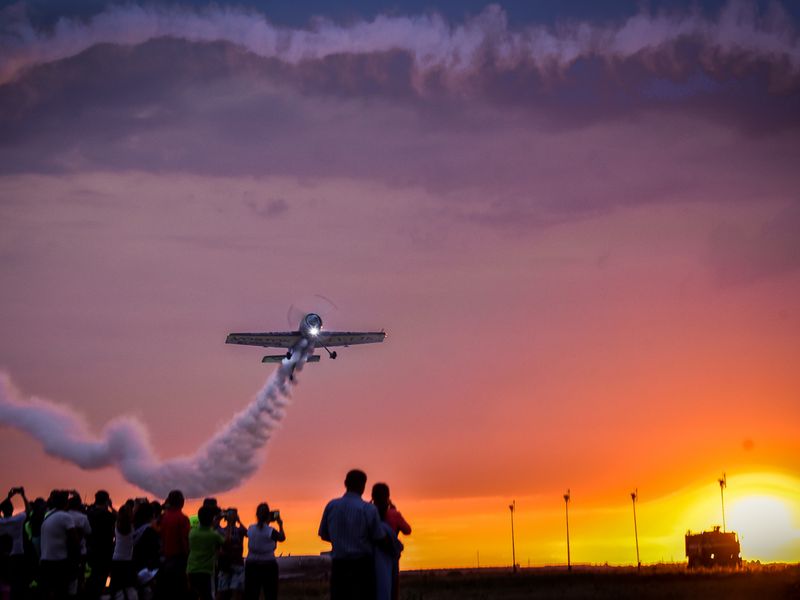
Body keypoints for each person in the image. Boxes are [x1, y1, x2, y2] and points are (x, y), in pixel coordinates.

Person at [319, 469, 388, 600]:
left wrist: (339, 540)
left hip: (339, 566)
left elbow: (324, 534)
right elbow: (379, 537)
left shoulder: (332, 506)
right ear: (363, 486)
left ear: (345, 483)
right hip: (362, 568)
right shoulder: (368, 509)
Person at [371, 484, 410, 600]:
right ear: (388, 496)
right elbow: (407, 530)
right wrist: (394, 512)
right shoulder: (394, 515)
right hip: (390, 556)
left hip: (370, 556)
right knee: (392, 589)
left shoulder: (367, 512)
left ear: (373, 495)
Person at [39, 490, 78, 600]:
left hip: (45, 562)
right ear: (65, 502)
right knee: (62, 593)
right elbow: (74, 541)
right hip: (59, 564)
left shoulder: (48, 515)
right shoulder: (65, 517)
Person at [244, 503, 285, 600]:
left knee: (251, 594)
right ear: (267, 516)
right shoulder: (270, 531)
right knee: (270, 594)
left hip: (251, 564)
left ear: (257, 515)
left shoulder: (250, 528)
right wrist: (280, 525)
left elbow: (251, 534)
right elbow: (282, 538)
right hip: (268, 565)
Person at [158, 489, 191, 600]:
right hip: (179, 560)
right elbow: (184, 540)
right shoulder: (183, 519)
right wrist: (188, 557)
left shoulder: (164, 517)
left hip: (166, 559)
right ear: (182, 502)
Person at [186, 506, 223, 600]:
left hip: (191, 569)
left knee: (192, 595)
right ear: (212, 519)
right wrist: (230, 524)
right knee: (207, 596)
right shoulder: (213, 535)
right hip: (205, 571)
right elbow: (227, 543)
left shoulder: (192, 532)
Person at [86, 490, 117, 599]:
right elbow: (118, 518)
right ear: (107, 500)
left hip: (91, 549)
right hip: (105, 551)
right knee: (101, 579)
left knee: (92, 577)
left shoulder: (89, 513)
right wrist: (111, 507)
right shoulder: (108, 515)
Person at [0, 487, 29, 600]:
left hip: (3, 555)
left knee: (3, 582)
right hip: (17, 554)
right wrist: (23, 495)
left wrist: (9, 497)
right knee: (17, 583)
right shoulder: (18, 519)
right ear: (12, 509)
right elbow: (28, 510)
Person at [216, 508, 247, 600]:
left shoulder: (239, 530)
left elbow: (248, 533)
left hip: (237, 563)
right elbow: (226, 542)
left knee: (236, 593)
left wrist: (239, 521)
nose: (231, 517)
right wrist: (222, 517)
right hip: (225, 564)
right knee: (221, 592)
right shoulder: (221, 530)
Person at [67, 491, 92, 597]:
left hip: (65, 551)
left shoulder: (64, 515)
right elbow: (89, 532)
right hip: (80, 552)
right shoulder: (82, 517)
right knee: (79, 576)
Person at [109, 502, 137, 599]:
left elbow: (118, 515)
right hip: (127, 560)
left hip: (116, 558)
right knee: (128, 586)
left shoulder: (117, 524)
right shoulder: (132, 527)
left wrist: (111, 507)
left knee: (117, 587)